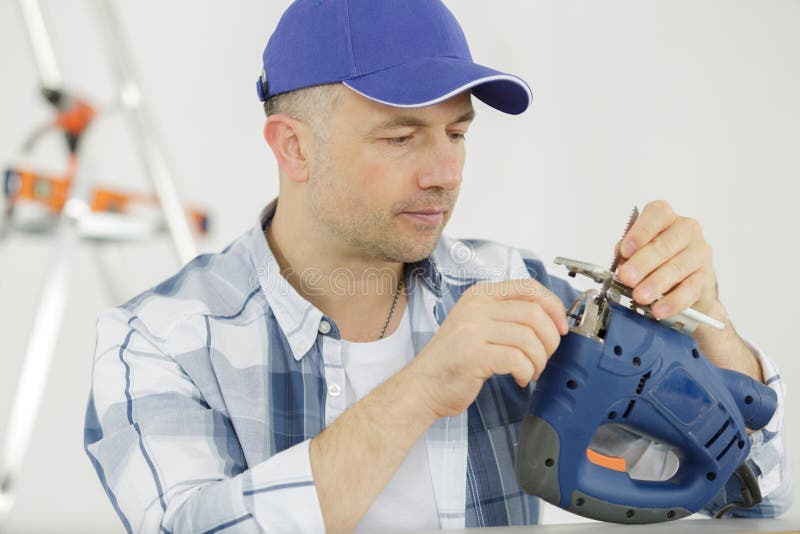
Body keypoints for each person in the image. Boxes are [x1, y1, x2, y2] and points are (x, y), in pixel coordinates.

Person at [84, 1, 793, 532]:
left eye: (458, 132)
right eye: (402, 136)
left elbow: (757, 489)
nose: (446, 173)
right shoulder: (160, 340)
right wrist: (421, 389)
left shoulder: (523, 300)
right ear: (293, 148)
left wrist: (712, 324)